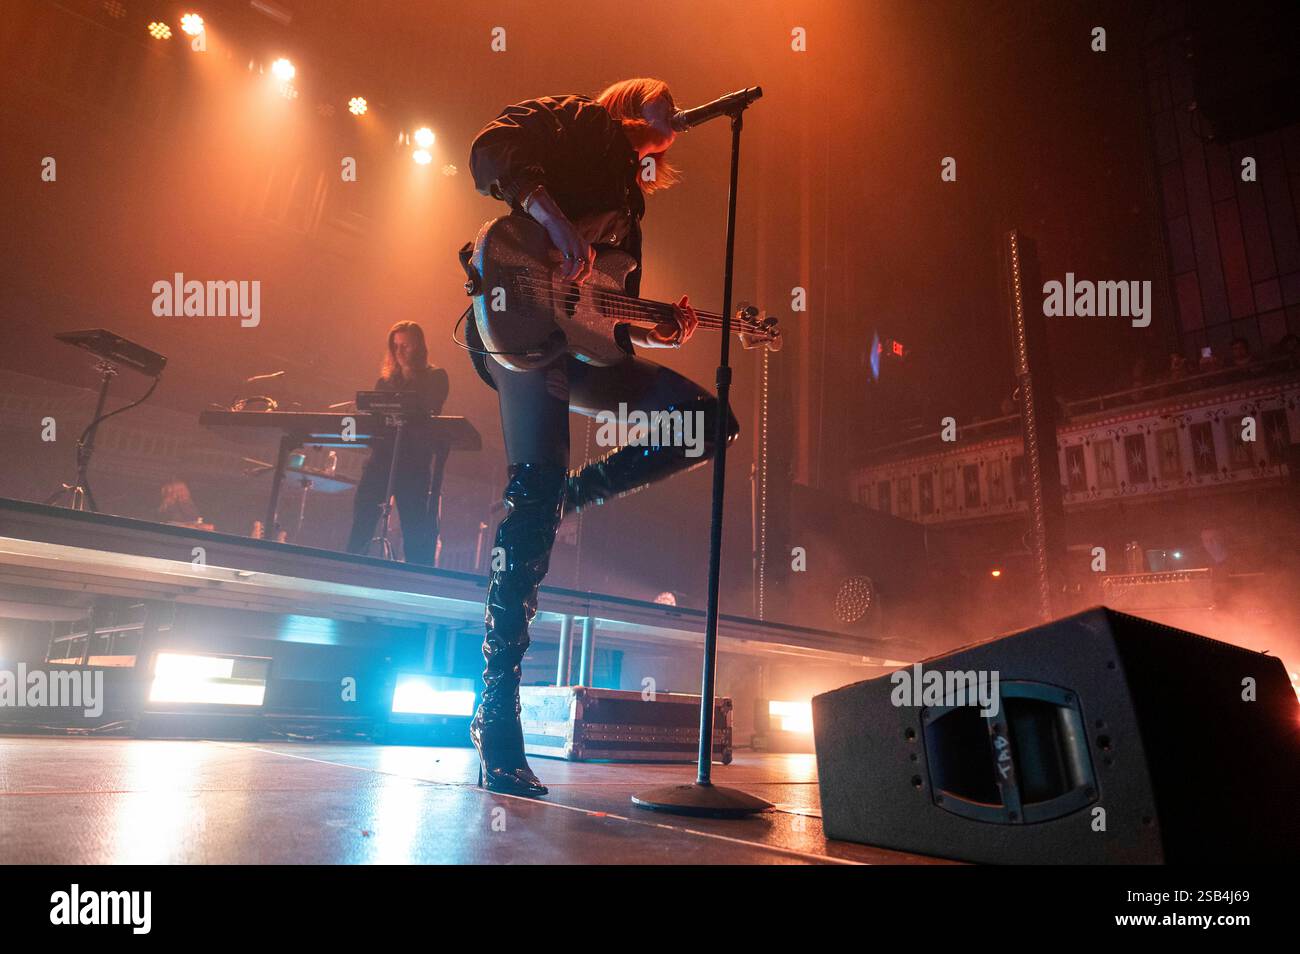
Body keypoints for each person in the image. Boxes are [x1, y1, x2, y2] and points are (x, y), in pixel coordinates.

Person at [462, 78, 738, 797]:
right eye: (665, 95)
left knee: (708, 423)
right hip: (515, 318)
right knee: (533, 489)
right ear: (634, 99)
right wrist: (552, 221)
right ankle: (496, 715)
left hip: (570, 340)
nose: (675, 108)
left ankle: (572, 495)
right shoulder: (578, 119)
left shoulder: (634, 199)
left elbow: (599, 315)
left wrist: (661, 326)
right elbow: (491, 148)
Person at [345, 321, 449, 564]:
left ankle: (417, 579)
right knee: (363, 516)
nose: (400, 351)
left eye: (406, 346)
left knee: (414, 525)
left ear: (419, 347)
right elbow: (375, 418)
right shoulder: (386, 382)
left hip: (413, 462)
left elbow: (430, 408)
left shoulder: (435, 376)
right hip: (381, 459)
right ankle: (349, 568)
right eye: (396, 346)